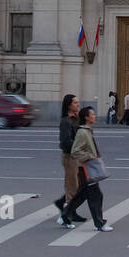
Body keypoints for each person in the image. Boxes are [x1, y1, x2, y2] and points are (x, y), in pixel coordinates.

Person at [64, 106, 112, 231]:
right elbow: (75, 151)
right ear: (86, 117)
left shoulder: (88, 130)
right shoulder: (82, 132)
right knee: (96, 196)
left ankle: (65, 215)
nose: (94, 116)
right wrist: (90, 156)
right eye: (92, 114)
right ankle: (99, 224)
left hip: (87, 167)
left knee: (82, 195)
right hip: (86, 168)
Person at [51, 94, 87, 227]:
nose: (78, 104)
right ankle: (68, 213)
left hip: (78, 156)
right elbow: (65, 141)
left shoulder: (76, 119)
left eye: (78, 102)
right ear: (69, 105)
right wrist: (79, 146)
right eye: (75, 103)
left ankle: (62, 203)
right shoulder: (66, 121)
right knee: (72, 186)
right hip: (70, 157)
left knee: (81, 184)